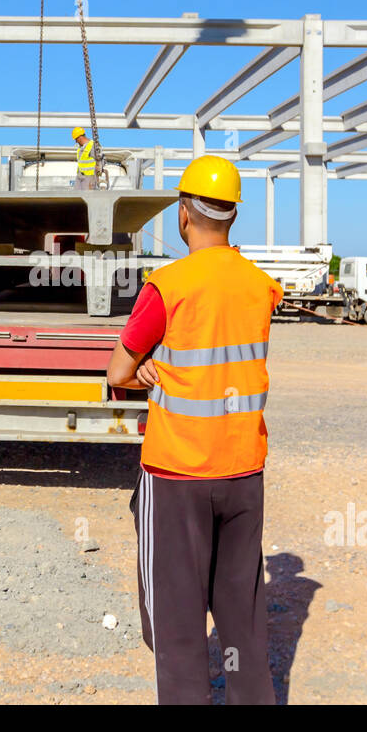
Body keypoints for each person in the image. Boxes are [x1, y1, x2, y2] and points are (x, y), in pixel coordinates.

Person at [106, 154, 283, 704]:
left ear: (184, 214)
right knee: (242, 616)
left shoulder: (168, 285)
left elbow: (118, 373)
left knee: (179, 624)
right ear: (232, 216)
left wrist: (148, 372)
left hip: (178, 473)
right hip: (242, 472)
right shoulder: (260, 286)